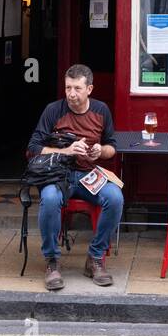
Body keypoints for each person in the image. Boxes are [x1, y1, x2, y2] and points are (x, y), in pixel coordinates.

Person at [27, 64, 122, 291]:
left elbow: (112, 148)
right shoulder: (54, 110)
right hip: (58, 175)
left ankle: (95, 258)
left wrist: (100, 150)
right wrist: (67, 151)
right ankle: (52, 261)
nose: (71, 93)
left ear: (89, 88)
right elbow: (33, 148)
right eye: (68, 87)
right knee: (49, 199)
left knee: (115, 198)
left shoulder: (101, 110)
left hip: (89, 174)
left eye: (77, 88)